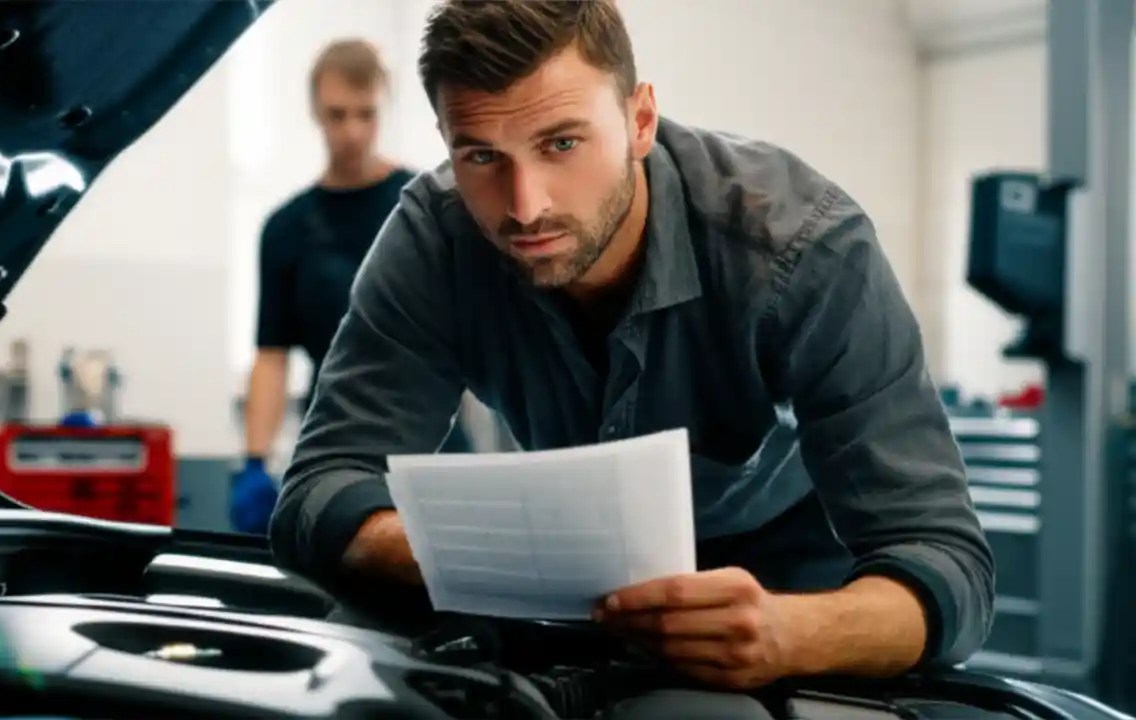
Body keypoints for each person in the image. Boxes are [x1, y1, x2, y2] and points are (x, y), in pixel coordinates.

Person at [269, 0, 995, 693]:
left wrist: (792, 632)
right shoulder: (435, 239)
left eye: (562, 143)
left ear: (639, 119)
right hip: (560, 601)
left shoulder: (804, 248)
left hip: (786, 594)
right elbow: (320, 492)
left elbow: (947, 568)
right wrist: (485, 552)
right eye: (483, 156)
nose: (526, 206)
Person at [231, 39, 427, 534]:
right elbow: (272, 356)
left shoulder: (425, 209)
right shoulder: (286, 228)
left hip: (432, 442)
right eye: (338, 115)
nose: (353, 131)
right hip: (335, 448)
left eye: (366, 114)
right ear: (316, 112)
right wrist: (255, 461)